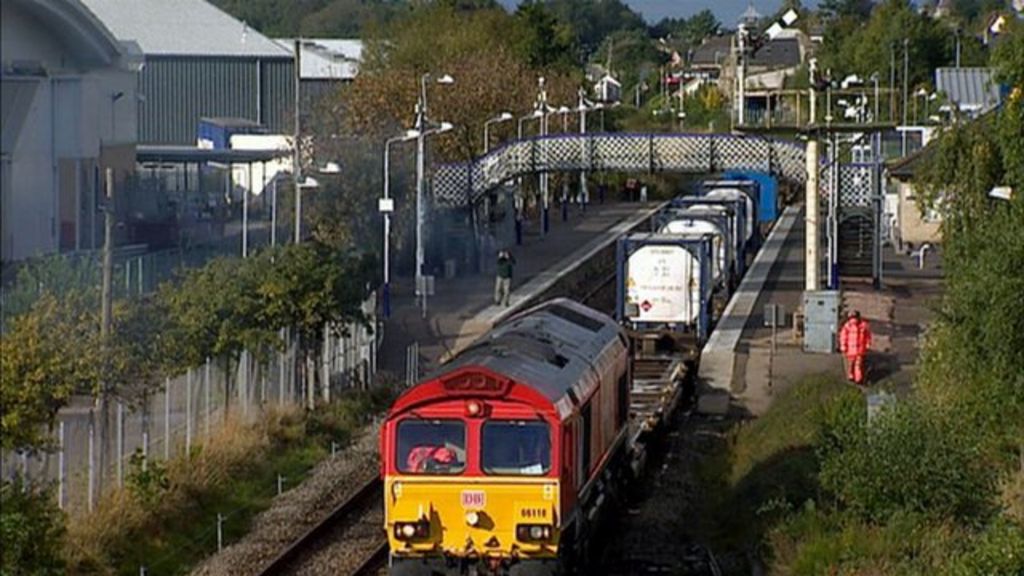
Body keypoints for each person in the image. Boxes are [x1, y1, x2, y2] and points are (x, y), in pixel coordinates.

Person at [839, 310, 873, 385]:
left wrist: (843, 346)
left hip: (850, 351)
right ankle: (858, 378)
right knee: (858, 364)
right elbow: (867, 337)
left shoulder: (847, 326)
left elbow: (843, 337)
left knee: (850, 364)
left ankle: (851, 375)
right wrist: (867, 345)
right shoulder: (864, 325)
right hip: (860, 350)